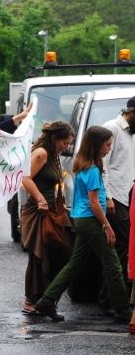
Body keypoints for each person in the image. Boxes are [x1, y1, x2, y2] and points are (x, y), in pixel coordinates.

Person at [36, 126, 132, 324]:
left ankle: (47, 300)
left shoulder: (84, 165)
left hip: (82, 220)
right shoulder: (92, 169)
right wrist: (106, 225)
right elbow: (94, 201)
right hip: (91, 221)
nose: (109, 149)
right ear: (97, 145)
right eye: (107, 145)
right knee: (113, 264)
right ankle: (123, 310)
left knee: (76, 263)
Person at [20, 121, 75, 314]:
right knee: (39, 254)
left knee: (58, 252)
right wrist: (40, 199)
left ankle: (44, 298)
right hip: (38, 209)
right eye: (64, 142)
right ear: (54, 138)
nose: (66, 147)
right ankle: (31, 301)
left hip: (52, 209)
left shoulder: (53, 155)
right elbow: (24, 178)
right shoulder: (41, 153)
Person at [101, 97, 135, 301]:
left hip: (130, 195)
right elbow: (102, 165)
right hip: (116, 197)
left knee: (126, 250)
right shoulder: (111, 128)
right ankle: (112, 300)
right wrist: (109, 197)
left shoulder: (132, 132)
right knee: (120, 250)